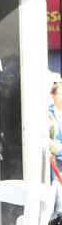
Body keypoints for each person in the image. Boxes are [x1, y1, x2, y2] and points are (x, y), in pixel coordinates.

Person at [47, 80, 62, 212]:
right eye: (60, 94)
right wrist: (57, 149)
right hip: (57, 161)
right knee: (59, 200)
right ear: (53, 96)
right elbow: (45, 138)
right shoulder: (49, 113)